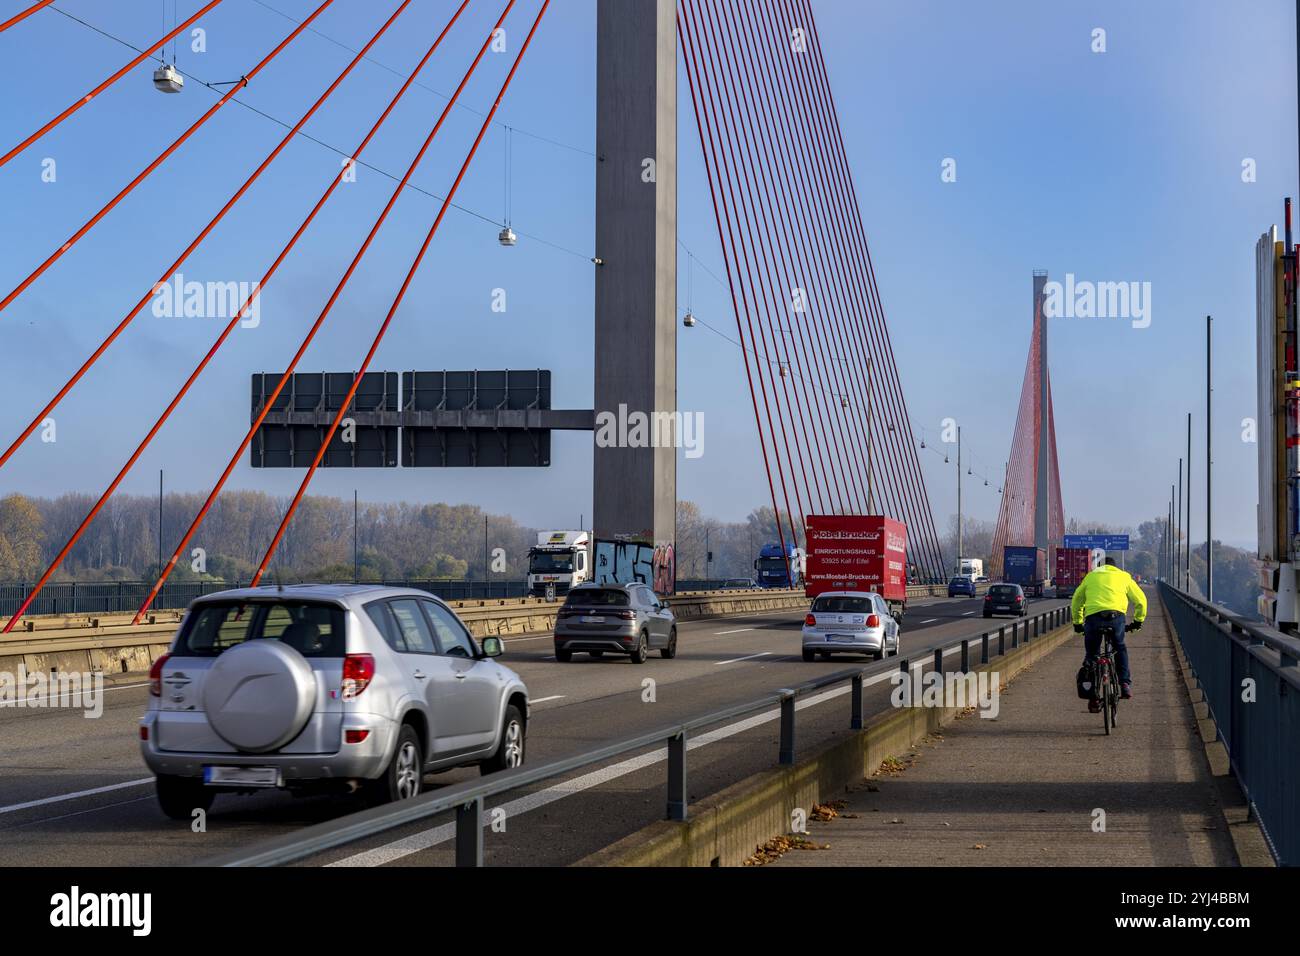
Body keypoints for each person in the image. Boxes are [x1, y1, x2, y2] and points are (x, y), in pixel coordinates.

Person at [1070, 556, 1146, 711]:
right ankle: (1124, 683)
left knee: (1092, 655)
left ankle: (1092, 697)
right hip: (1116, 617)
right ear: (1115, 567)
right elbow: (1141, 600)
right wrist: (1137, 622)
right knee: (1120, 647)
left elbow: (1077, 600)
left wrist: (1077, 623)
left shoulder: (1091, 577)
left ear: (1098, 567)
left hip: (1093, 618)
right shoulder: (1124, 577)